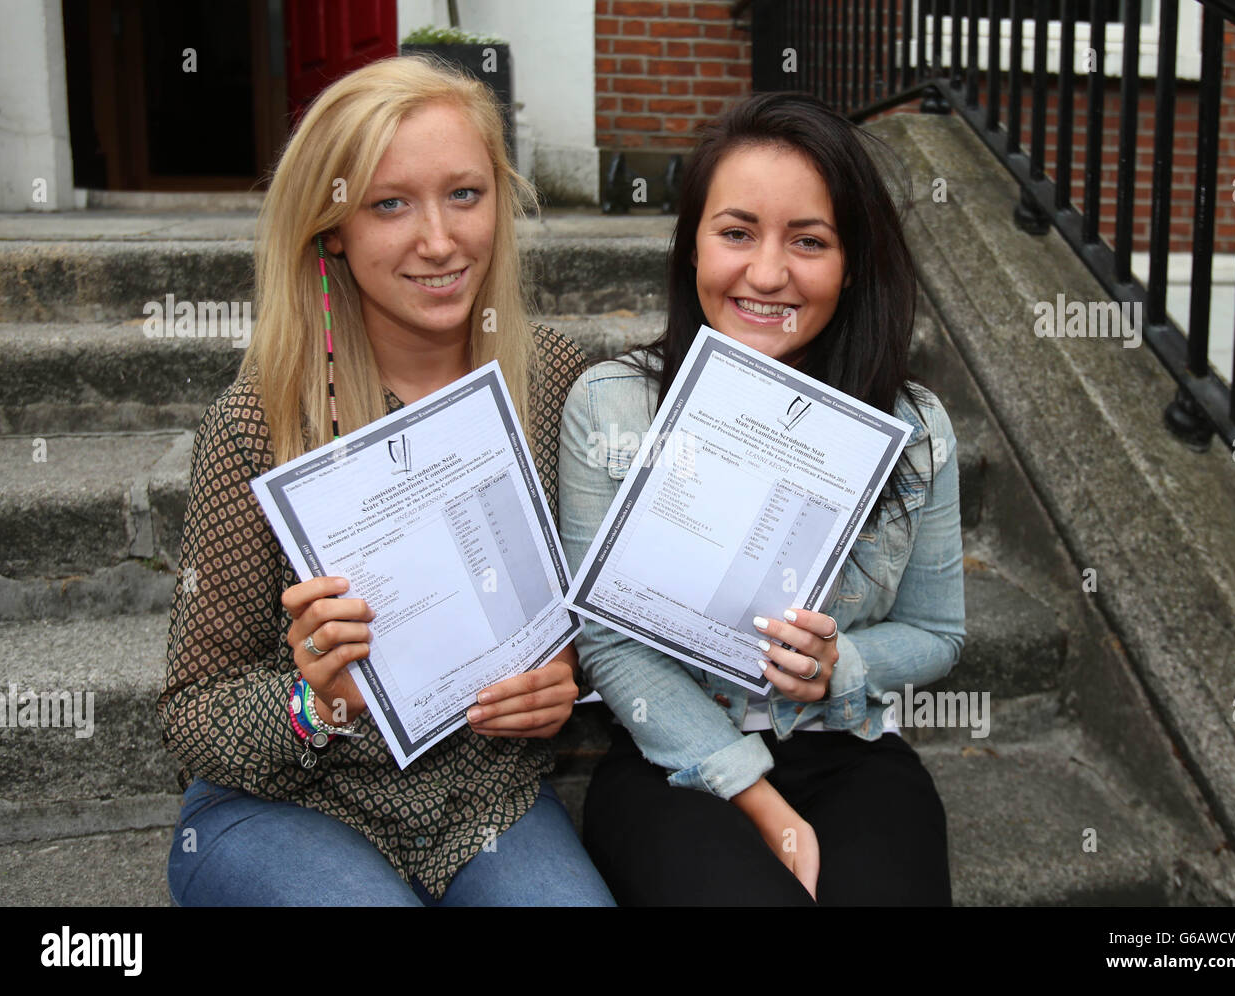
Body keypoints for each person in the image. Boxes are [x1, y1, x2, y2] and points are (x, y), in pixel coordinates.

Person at [158, 56, 613, 907]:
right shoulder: (261, 420)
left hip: (484, 799)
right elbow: (193, 713)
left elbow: (593, 604)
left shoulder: (551, 378)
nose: (438, 240)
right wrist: (315, 702)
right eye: (389, 204)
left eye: (465, 195)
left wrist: (567, 675)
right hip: (287, 805)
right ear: (332, 227)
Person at [557, 91, 966, 906]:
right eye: (736, 232)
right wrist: (762, 802)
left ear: (852, 267)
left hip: (849, 750)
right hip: (672, 758)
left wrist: (840, 663)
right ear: (693, 247)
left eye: (808, 241)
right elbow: (609, 644)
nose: (768, 273)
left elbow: (937, 630)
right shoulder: (611, 408)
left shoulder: (915, 428)